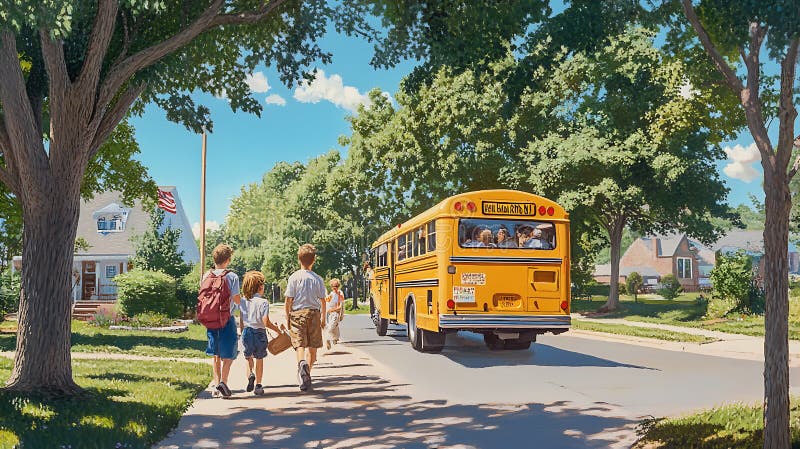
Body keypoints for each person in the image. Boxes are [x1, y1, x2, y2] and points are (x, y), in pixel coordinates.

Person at [285, 243, 327, 392]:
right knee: (313, 348)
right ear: (314, 260)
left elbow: (288, 300)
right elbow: (323, 300)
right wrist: (323, 319)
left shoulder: (294, 277)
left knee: (299, 344)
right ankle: (307, 373)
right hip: (314, 313)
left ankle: (301, 363)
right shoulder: (318, 279)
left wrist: (288, 317)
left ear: (299, 259)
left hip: (297, 314)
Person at [204, 244, 241, 399]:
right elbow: (236, 299)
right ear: (228, 260)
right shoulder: (232, 276)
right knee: (230, 353)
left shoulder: (206, 275)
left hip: (211, 320)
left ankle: (216, 385)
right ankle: (223, 382)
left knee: (216, 354)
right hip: (227, 319)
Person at [239, 270, 282, 396]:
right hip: (260, 333)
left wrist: (242, 334)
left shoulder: (243, 301)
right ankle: (258, 385)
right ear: (260, 287)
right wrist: (277, 330)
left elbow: (241, 321)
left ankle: (250, 375)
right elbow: (265, 322)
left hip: (247, 331)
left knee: (248, 357)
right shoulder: (263, 302)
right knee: (259, 358)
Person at [324, 278, 345, 350]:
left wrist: (331, 310)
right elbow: (327, 302)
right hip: (330, 314)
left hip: (336, 314)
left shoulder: (340, 294)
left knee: (330, 327)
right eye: (333, 286)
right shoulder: (331, 294)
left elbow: (340, 307)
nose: (334, 287)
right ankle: (335, 338)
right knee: (335, 326)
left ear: (338, 286)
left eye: (336, 286)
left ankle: (327, 339)